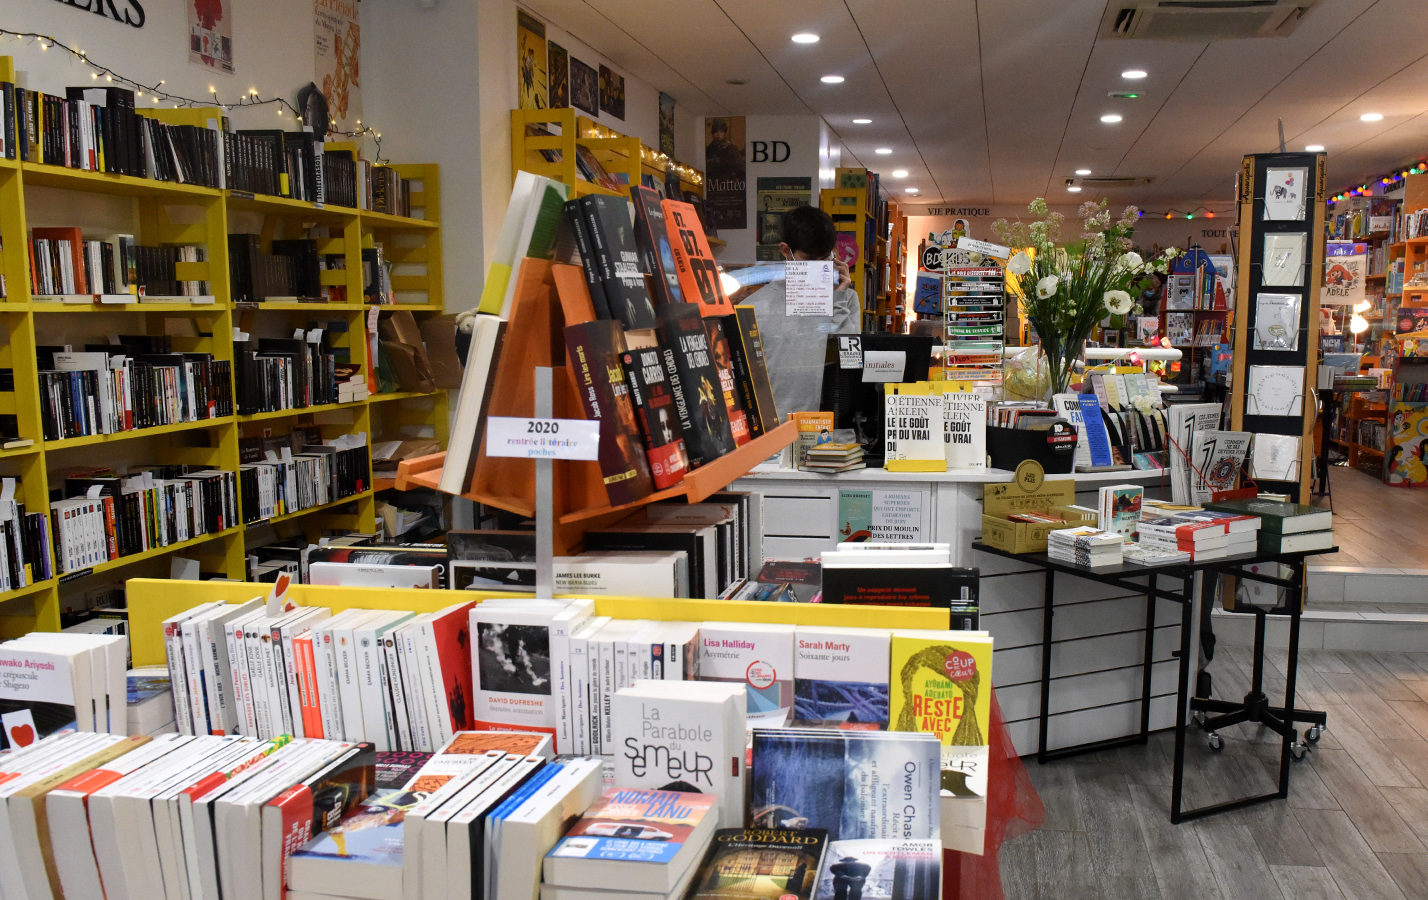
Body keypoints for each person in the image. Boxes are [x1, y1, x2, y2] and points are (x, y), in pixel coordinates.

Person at [745, 205, 860, 418]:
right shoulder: (755, 307)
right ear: (786, 251)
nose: (818, 267)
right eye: (809, 259)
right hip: (777, 431)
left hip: (831, 433)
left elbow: (851, 362)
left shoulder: (846, 300)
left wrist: (839, 297)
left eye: (824, 258)